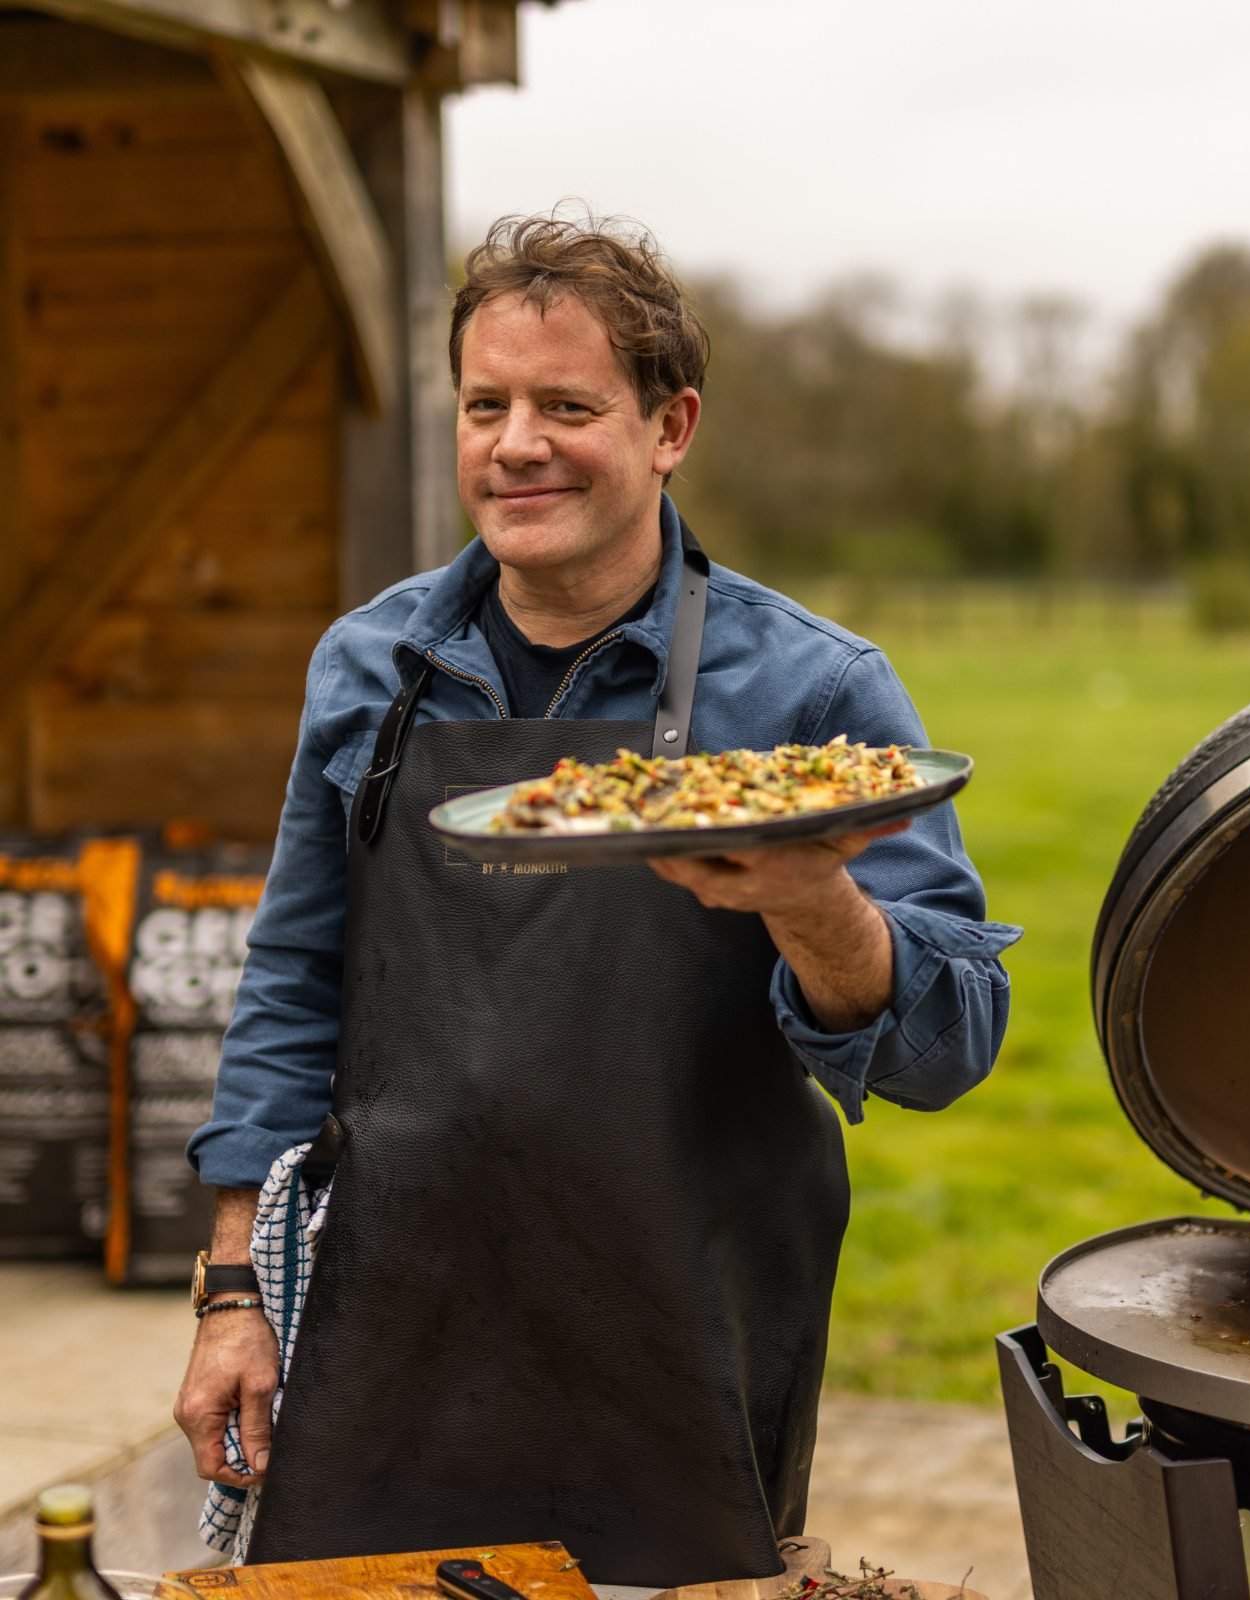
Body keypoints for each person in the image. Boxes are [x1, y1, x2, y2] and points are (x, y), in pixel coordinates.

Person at [174, 213, 1020, 1586]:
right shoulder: (370, 667)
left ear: (669, 424)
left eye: (568, 406)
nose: (517, 445)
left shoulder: (811, 693)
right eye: (486, 404)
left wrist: (814, 901)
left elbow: (951, 1043)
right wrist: (228, 1294)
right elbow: (291, 987)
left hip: (683, 1328)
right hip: (397, 1318)